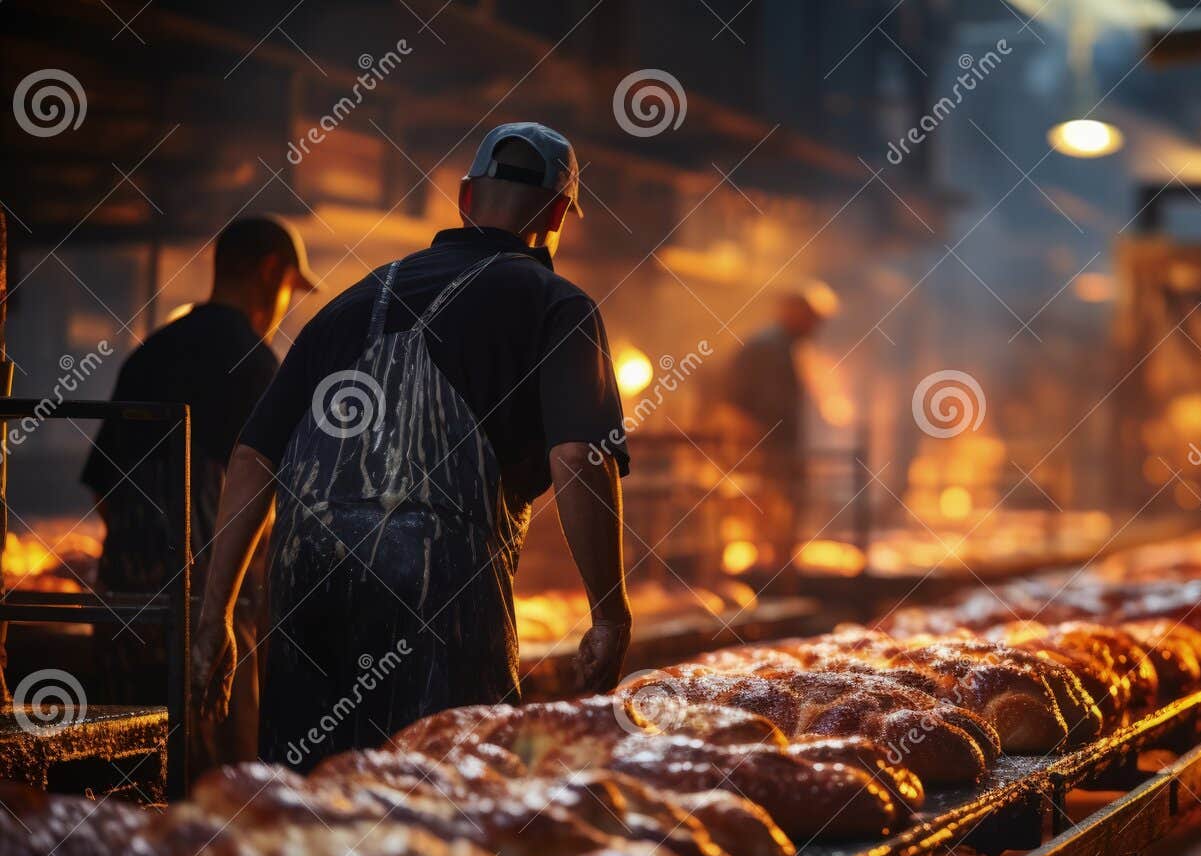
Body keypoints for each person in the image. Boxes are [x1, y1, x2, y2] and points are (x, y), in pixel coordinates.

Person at [191, 123, 632, 767]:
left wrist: (215, 616)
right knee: (447, 795)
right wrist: (609, 613)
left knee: (308, 797)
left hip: (303, 579)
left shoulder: (350, 302)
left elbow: (253, 457)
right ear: (560, 212)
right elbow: (577, 459)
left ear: (463, 197)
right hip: (437, 585)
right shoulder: (556, 303)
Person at [81, 215, 317, 768]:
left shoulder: (149, 355)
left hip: (126, 614)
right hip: (213, 621)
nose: (285, 304)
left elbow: (103, 489)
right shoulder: (258, 365)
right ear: (269, 273)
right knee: (222, 795)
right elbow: (276, 501)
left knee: (129, 783)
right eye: (288, 288)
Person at [710, 285, 835, 580]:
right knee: (769, 511)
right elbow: (738, 400)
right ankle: (768, 575)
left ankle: (778, 568)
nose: (815, 327)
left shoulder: (784, 347)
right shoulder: (767, 347)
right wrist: (754, 443)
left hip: (779, 448)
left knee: (783, 512)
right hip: (766, 449)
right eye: (811, 318)